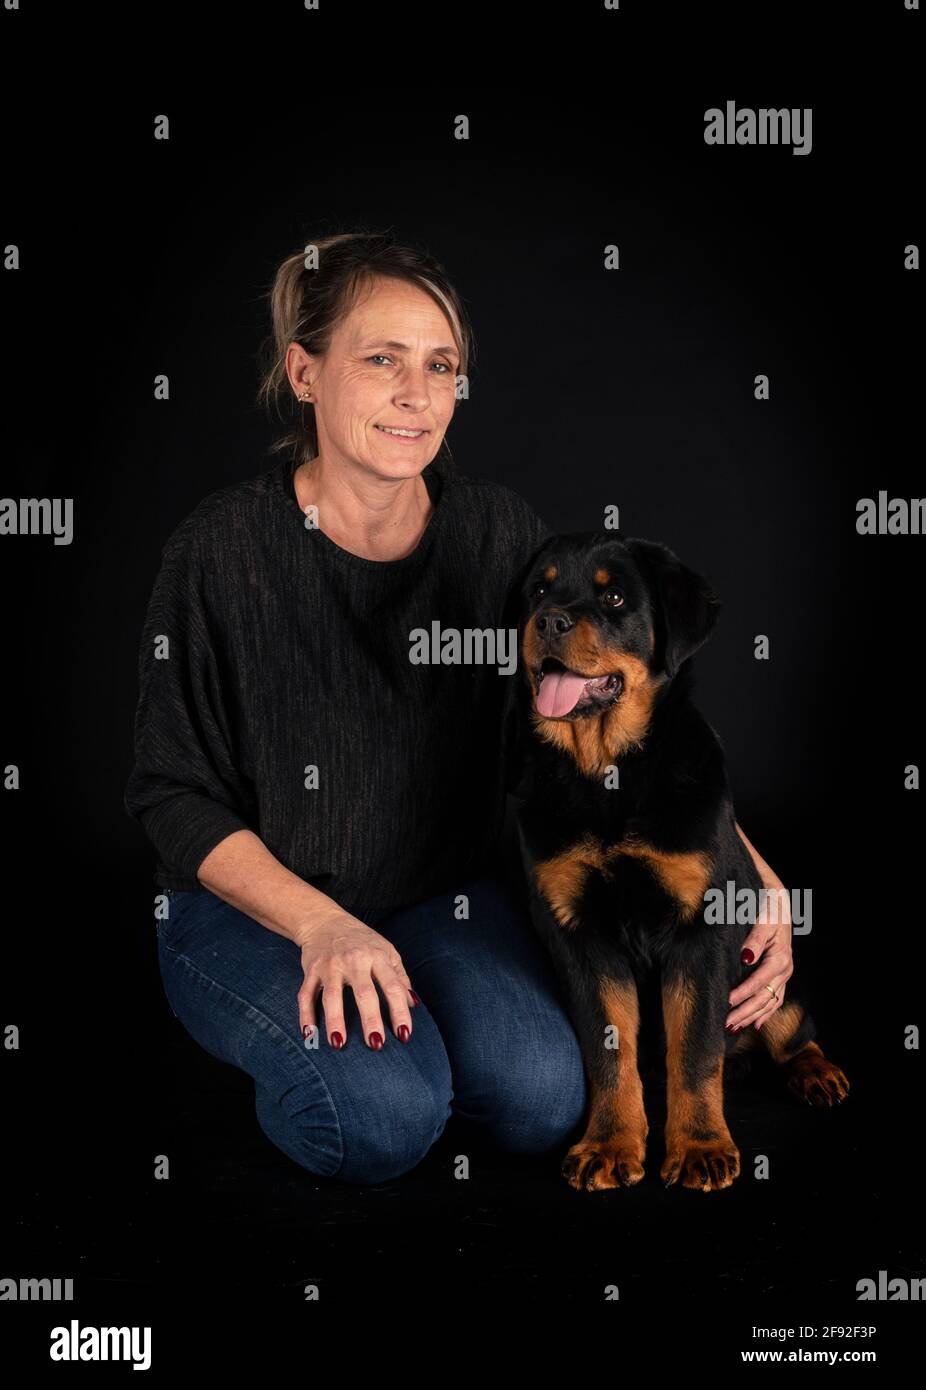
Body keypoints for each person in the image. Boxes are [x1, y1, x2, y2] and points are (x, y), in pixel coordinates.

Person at [124, 231, 794, 1185]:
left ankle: (409, 1020)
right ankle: (329, 1046)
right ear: (304, 372)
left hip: (439, 898)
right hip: (252, 914)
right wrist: (322, 927)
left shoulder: (496, 536)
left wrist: (749, 872)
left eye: (440, 366)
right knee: (380, 1121)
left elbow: (620, 714)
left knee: (543, 1098)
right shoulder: (219, 554)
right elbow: (168, 794)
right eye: (382, 360)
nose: (416, 394)